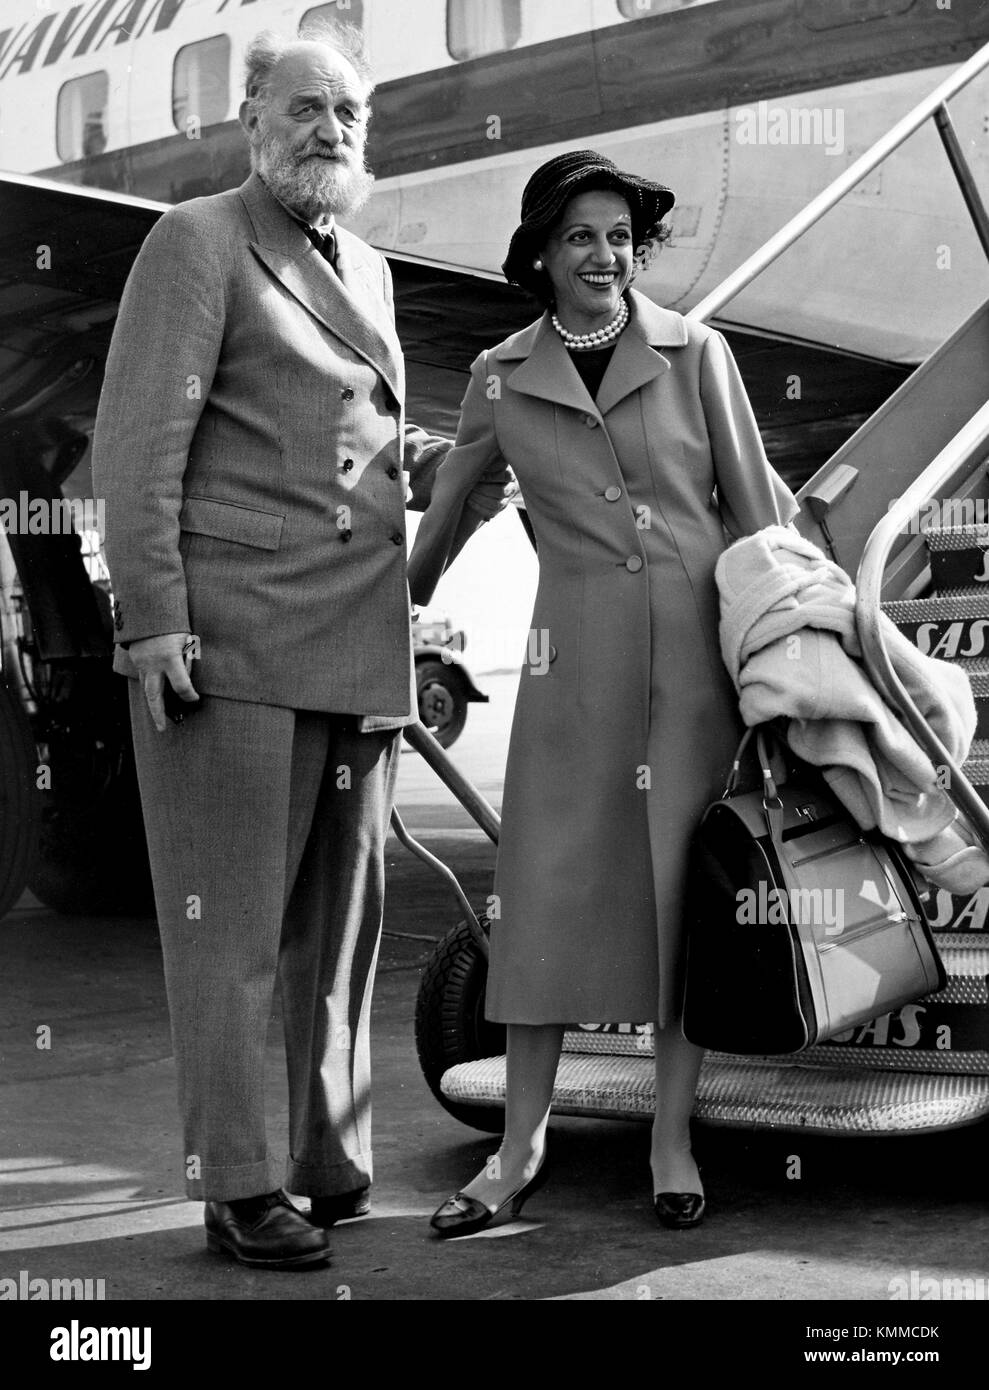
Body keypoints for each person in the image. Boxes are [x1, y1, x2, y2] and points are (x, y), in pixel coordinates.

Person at [92, 19, 504, 1270]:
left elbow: (358, 441)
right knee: (230, 942)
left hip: (354, 649)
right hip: (235, 646)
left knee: (340, 937)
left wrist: (469, 458)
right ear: (253, 120)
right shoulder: (197, 243)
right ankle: (237, 1183)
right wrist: (155, 615)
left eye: (351, 116)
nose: (332, 131)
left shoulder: (366, 269)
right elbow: (137, 449)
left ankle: (327, 1165)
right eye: (308, 108)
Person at [407, 150, 799, 1236]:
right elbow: (449, 511)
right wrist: (383, 616)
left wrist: (789, 652)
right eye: (579, 235)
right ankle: (518, 1143)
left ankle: (671, 1135)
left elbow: (757, 517)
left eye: (620, 236)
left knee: (679, 902)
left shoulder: (696, 350)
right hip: (564, 666)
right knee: (539, 896)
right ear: (540, 251)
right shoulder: (498, 373)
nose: (604, 255)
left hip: (689, 668)